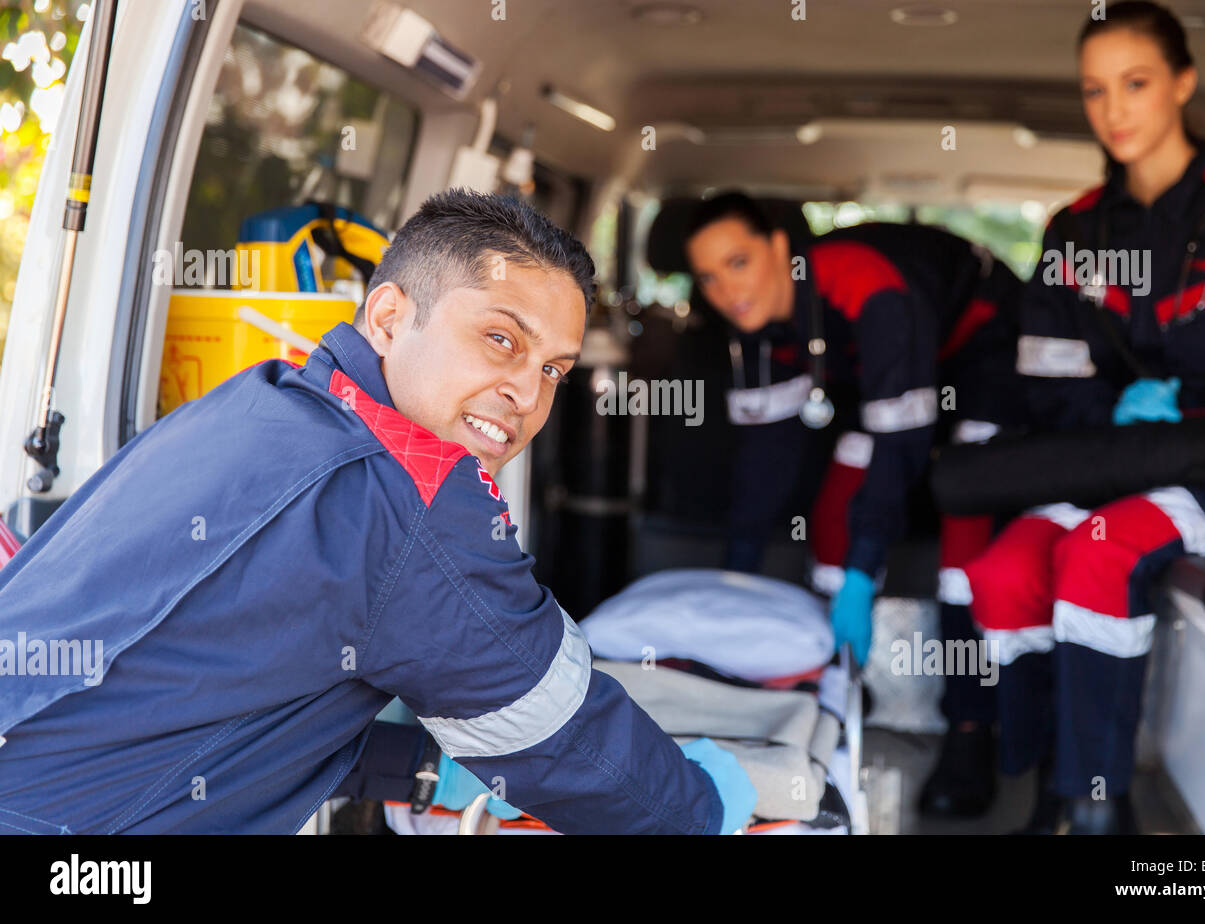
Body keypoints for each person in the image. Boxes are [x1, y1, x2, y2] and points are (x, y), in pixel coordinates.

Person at [0, 189, 755, 835]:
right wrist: (706, 810)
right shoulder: (412, 499)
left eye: (554, 368)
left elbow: (236, 690)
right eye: (500, 339)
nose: (529, 394)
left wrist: (423, 769)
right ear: (389, 316)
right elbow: (563, 735)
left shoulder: (265, 399)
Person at [955, 0, 1205, 833]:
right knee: (1001, 575)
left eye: (1135, 83)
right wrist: (1117, 409)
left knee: (1095, 560)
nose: (1114, 111)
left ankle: (1096, 805)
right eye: (1095, 90)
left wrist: (1191, 409)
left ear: (1183, 83)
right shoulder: (1073, 231)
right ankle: (1043, 785)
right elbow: (1046, 374)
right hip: (1102, 456)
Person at [683, 192, 1027, 817]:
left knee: (965, 506)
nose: (725, 289)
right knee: (839, 497)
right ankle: (832, 692)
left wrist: (865, 575)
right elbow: (768, 459)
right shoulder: (757, 325)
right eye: (707, 275)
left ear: (780, 250)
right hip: (904, 368)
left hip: (988, 351)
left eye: (738, 262)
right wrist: (730, 583)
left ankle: (971, 732)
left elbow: (900, 447)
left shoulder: (867, 289)